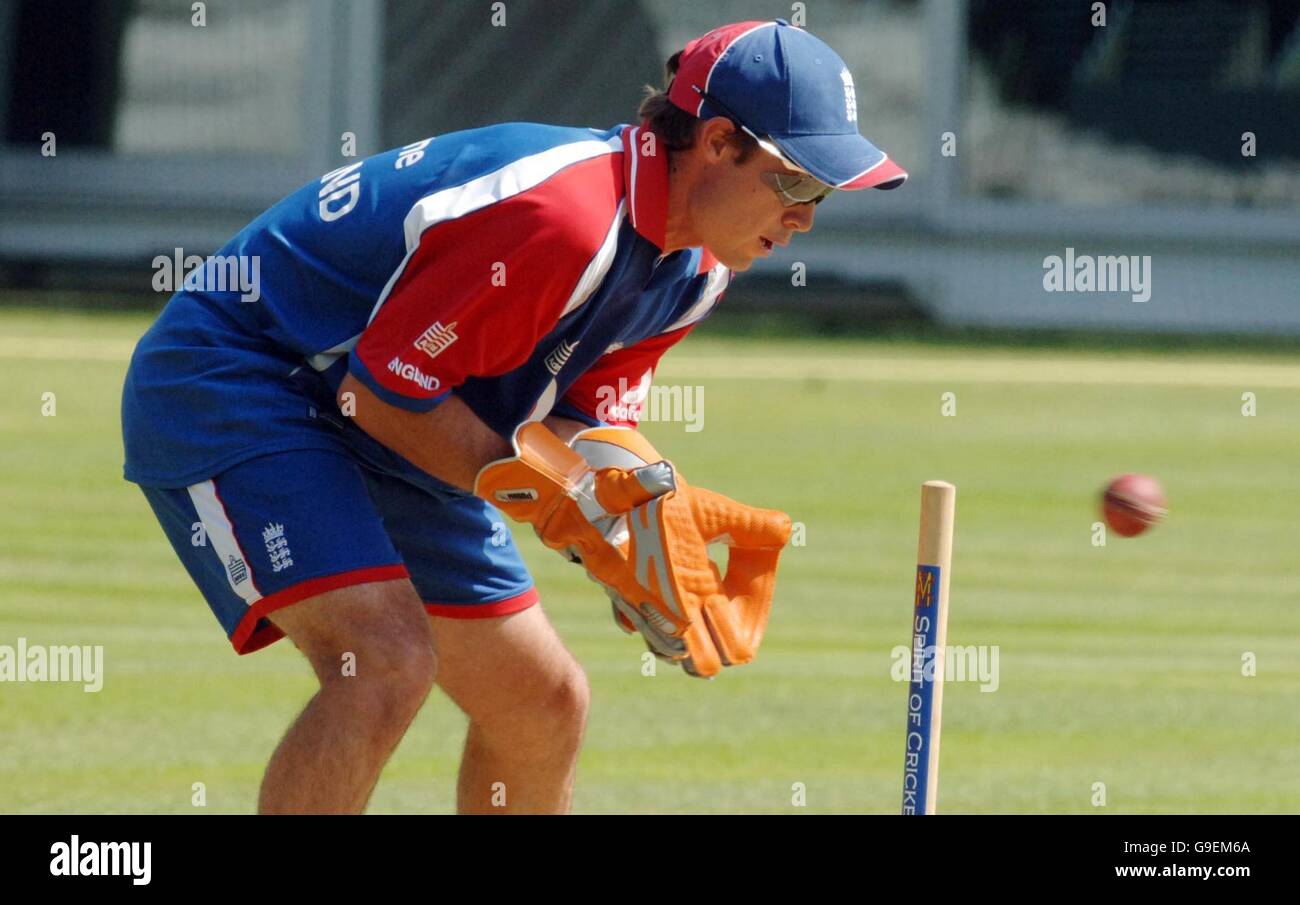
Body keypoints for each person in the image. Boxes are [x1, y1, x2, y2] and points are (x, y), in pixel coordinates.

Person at [119, 18, 906, 815]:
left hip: (390, 412)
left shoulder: (699, 268)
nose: (806, 217)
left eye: (823, 193)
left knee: (544, 703)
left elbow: (579, 423)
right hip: (244, 375)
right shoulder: (560, 215)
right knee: (383, 663)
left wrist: (646, 512)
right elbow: (384, 393)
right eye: (797, 182)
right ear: (718, 141)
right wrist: (569, 504)